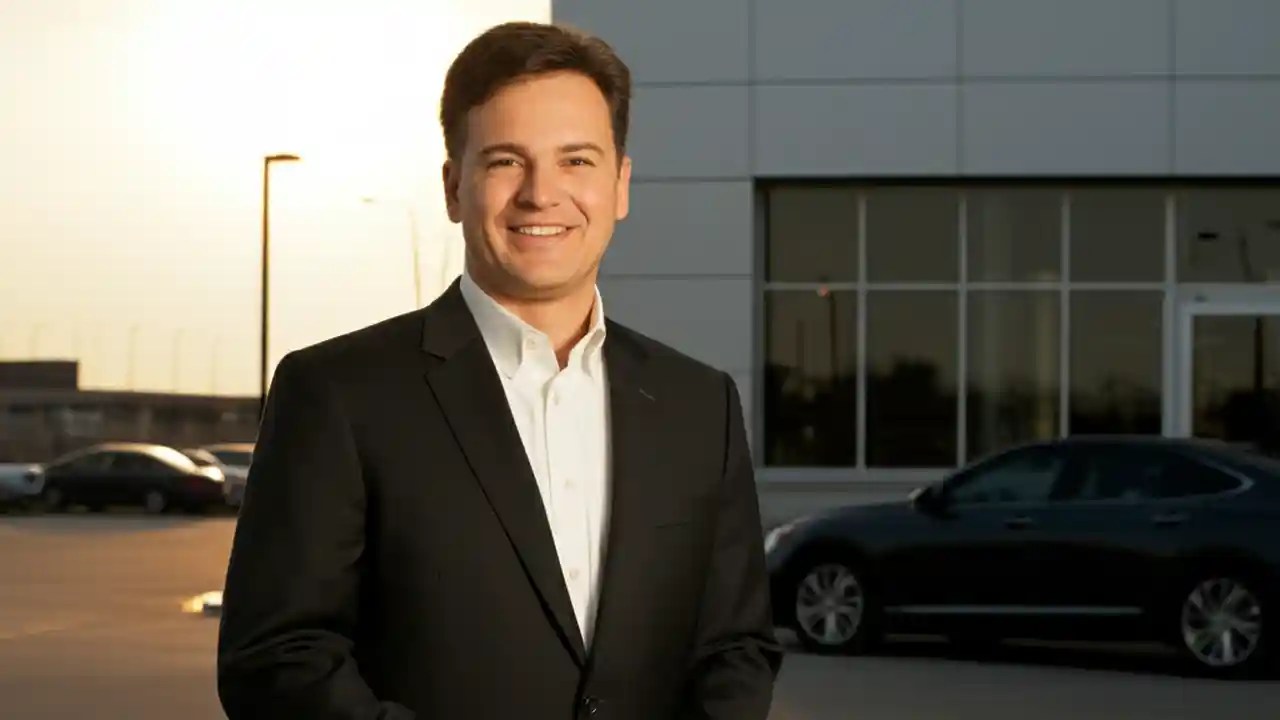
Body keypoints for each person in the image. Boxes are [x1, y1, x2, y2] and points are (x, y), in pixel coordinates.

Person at [217, 20, 782, 720]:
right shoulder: (336, 393)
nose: (542, 194)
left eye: (577, 160)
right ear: (455, 187)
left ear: (621, 184)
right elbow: (276, 658)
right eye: (506, 161)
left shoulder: (700, 404)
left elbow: (734, 646)